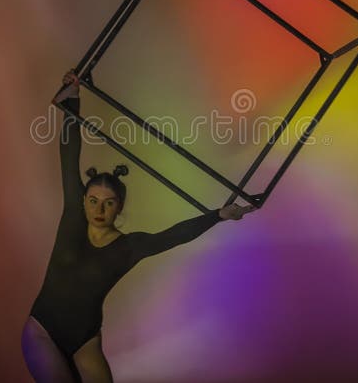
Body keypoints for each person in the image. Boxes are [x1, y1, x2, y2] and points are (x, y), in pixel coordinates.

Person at [21, 69, 257, 382]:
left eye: (108, 203)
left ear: (118, 207)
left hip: (85, 341)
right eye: (93, 200)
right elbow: (69, 157)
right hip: (43, 332)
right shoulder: (74, 217)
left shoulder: (129, 247)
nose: (99, 209)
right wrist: (72, 101)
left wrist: (219, 215)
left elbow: (174, 236)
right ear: (84, 201)